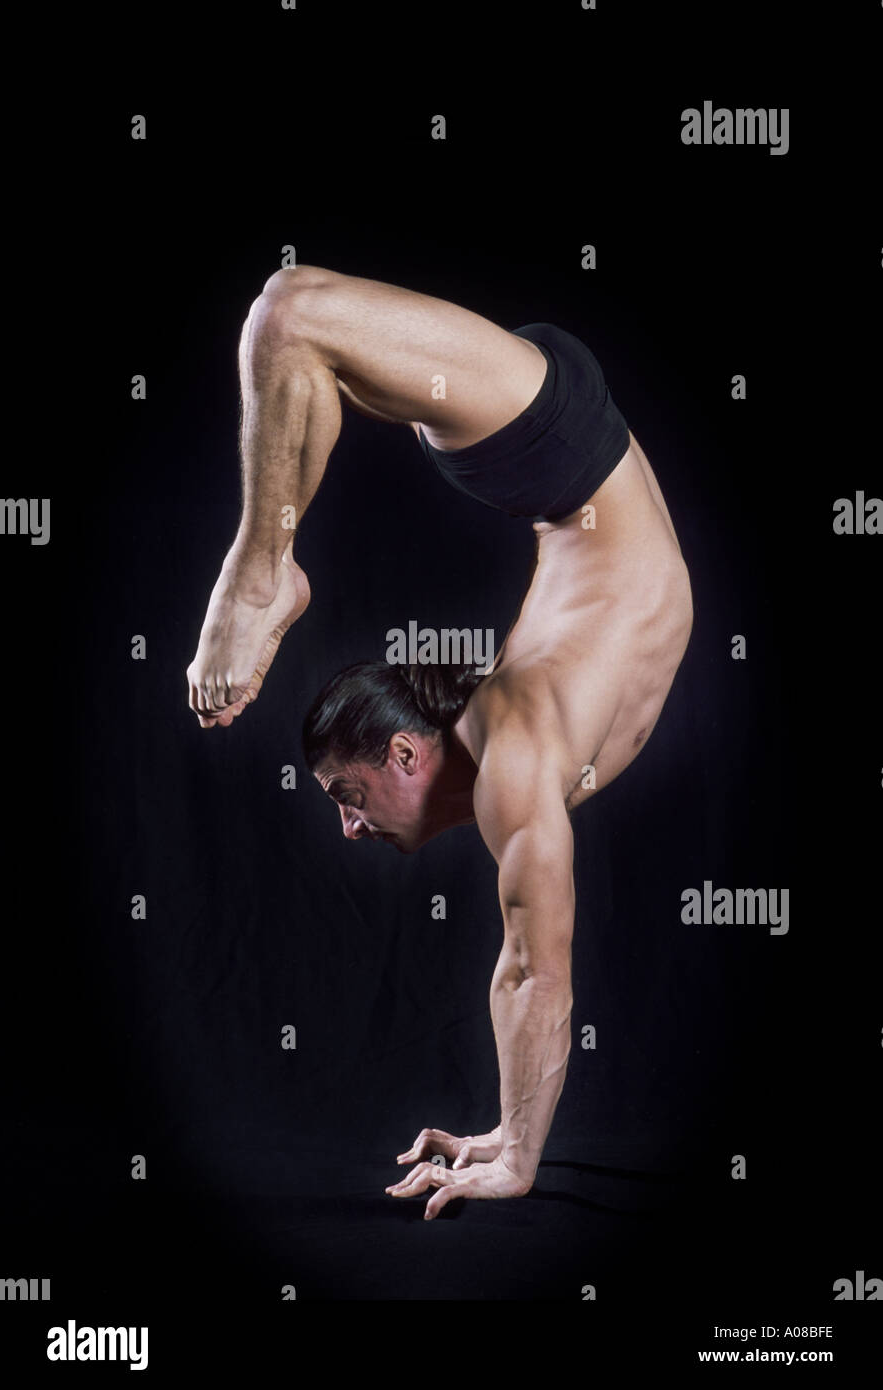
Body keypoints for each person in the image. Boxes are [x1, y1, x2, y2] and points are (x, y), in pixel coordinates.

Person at [186, 265, 693, 1218]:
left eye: (347, 794)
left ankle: (262, 577)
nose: (345, 827)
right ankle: (269, 562)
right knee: (303, 354)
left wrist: (518, 1164)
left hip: (563, 452)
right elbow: (526, 970)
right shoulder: (514, 743)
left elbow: (536, 970)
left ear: (406, 755)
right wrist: (508, 1127)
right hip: (558, 473)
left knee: (290, 315)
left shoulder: (516, 753)